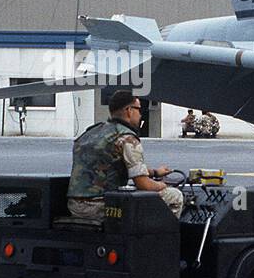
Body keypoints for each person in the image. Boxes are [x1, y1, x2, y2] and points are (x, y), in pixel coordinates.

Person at [67, 90, 184, 220]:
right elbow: (143, 184)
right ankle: (159, 239)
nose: (140, 115)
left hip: (75, 206)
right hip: (101, 206)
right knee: (174, 196)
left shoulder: (92, 132)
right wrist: (162, 185)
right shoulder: (127, 138)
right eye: (139, 109)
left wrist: (155, 172)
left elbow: (108, 166)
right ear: (129, 110)